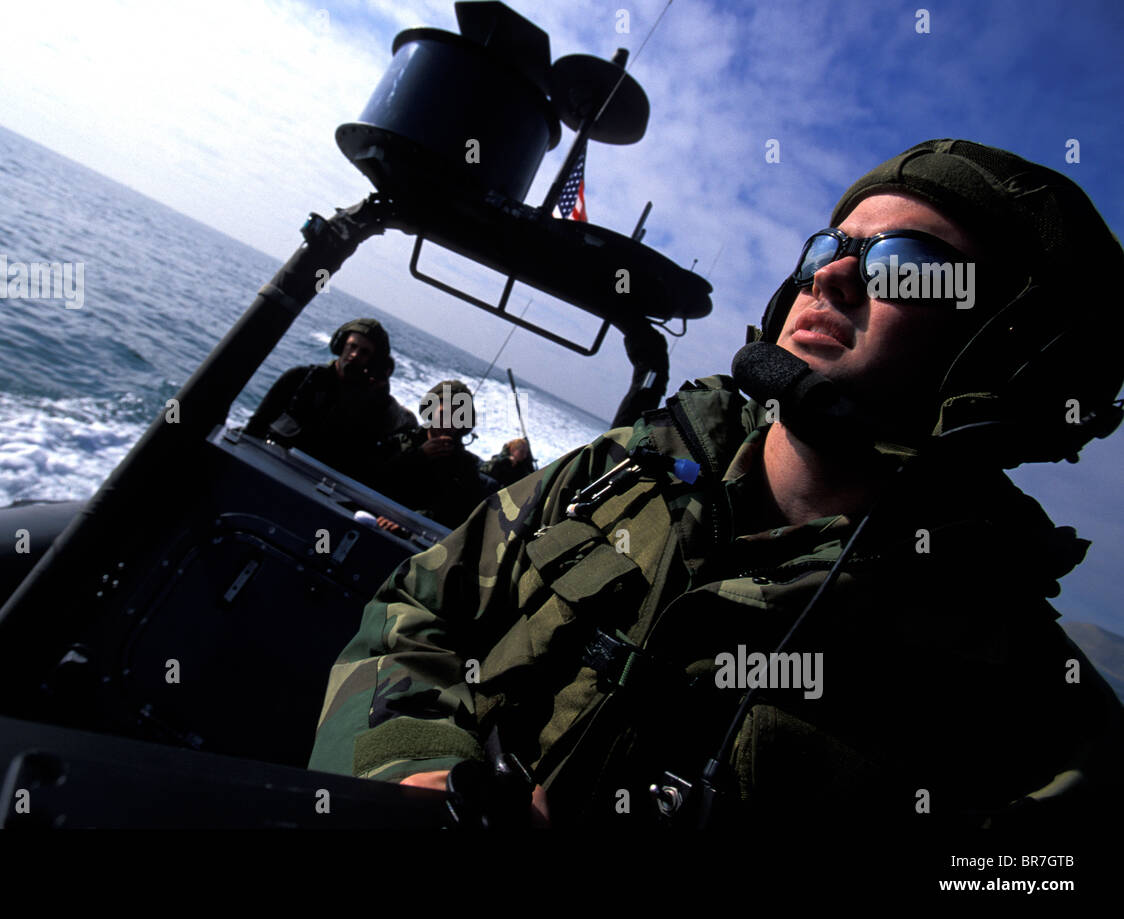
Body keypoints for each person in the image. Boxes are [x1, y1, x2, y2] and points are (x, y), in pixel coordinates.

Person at [307, 140, 1124, 829]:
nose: (833, 277)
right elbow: (414, 608)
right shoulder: (627, 468)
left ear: (1004, 354)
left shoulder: (1039, 722)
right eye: (827, 247)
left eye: (906, 266)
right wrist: (411, 772)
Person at [243, 318, 413, 484]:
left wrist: (379, 390)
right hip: (268, 469)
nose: (354, 355)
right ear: (341, 345)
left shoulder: (375, 407)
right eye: (352, 346)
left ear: (373, 360)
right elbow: (255, 427)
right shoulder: (300, 378)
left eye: (364, 352)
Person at [375, 380, 496, 531]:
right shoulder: (402, 440)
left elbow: (458, 512)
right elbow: (376, 477)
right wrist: (419, 457)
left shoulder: (465, 467)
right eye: (444, 414)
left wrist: (411, 521)